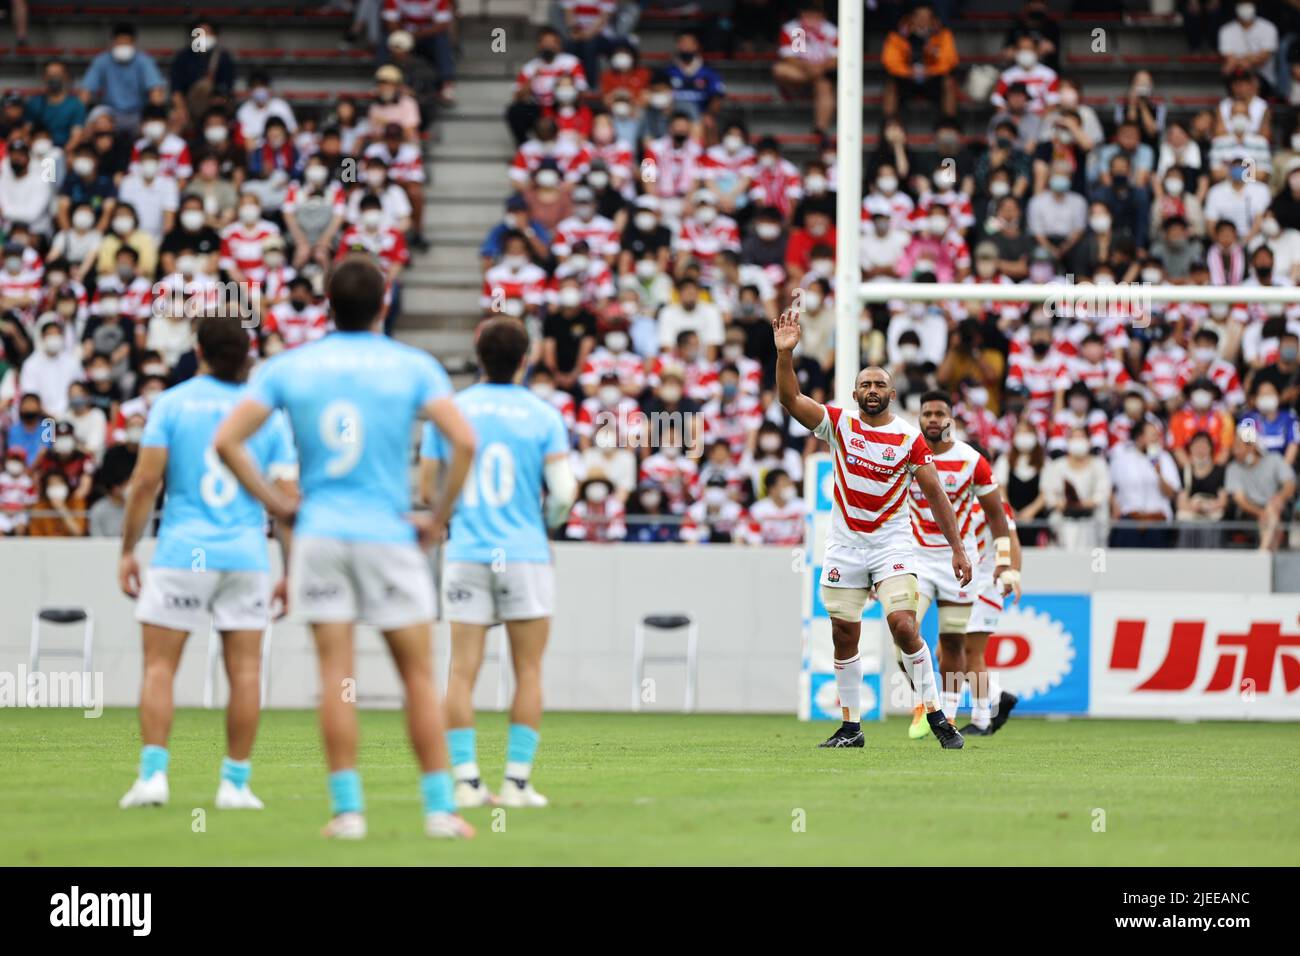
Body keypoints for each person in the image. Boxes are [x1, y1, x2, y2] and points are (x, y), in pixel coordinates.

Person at [213, 258, 477, 841]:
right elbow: (464, 440)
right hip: (388, 534)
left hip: (321, 534)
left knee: (336, 677)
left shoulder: (291, 367)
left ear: (326, 302)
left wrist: (277, 504)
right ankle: (439, 810)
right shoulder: (414, 367)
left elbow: (227, 440)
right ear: (385, 303)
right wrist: (438, 516)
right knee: (417, 677)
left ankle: (348, 813)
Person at [116, 315, 296, 810]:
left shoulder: (171, 405)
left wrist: (128, 549)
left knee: (158, 667)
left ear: (198, 350)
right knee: (245, 672)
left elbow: (145, 484)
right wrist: (291, 570)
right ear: (247, 356)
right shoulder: (269, 416)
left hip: (181, 552)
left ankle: (153, 777)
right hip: (245, 555)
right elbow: (288, 500)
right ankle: (235, 784)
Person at [772, 301, 969, 750]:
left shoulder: (908, 437)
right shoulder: (838, 425)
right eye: (866, 384)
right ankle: (851, 726)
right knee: (844, 633)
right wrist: (785, 355)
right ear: (856, 393)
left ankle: (937, 714)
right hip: (844, 545)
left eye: (881, 383)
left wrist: (957, 548)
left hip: (891, 543)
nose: (873, 389)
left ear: (892, 394)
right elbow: (789, 399)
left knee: (903, 624)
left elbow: (935, 493)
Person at [418, 318, 576, 810]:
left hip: (466, 549)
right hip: (524, 552)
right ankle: (517, 784)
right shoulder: (543, 413)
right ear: (526, 358)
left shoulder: (451, 412)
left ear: (478, 356)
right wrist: (543, 523)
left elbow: (427, 489)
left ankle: (465, 783)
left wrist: (455, 513)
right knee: (527, 670)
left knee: (461, 671)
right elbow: (565, 493)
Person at [905, 391, 1012, 738]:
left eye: (940, 413)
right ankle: (928, 702)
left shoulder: (971, 460)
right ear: (919, 418)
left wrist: (1008, 564)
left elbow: (999, 515)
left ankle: (948, 718)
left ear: (951, 419)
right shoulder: (905, 451)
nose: (933, 419)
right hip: (917, 558)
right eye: (927, 413)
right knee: (904, 630)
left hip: (961, 563)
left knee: (954, 646)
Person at [960, 490, 1022, 736]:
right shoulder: (962, 500)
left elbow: (1012, 541)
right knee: (965, 655)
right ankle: (988, 709)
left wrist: (1012, 574)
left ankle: (987, 712)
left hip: (985, 586)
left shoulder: (993, 503)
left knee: (962, 655)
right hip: (970, 587)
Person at [1225, 430, 1295, 549]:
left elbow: (1289, 484)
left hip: (1276, 507)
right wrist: (1261, 513)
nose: (1235, 451)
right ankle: (1267, 555)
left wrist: (1280, 497)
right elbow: (1240, 500)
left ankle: (1263, 554)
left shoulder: (1274, 459)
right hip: (1250, 513)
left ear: (1252, 446)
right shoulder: (1233, 468)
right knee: (1271, 515)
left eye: (1238, 446)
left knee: (1272, 508)